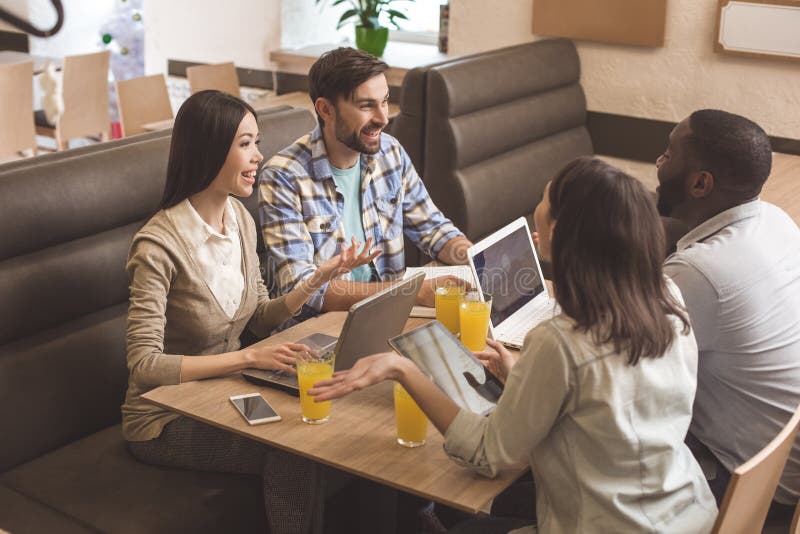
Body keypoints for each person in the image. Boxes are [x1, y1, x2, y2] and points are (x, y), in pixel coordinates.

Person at [309, 157, 718, 533]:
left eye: (544, 199)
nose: (537, 206)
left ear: (557, 231)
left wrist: (405, 370)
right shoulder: (665, 298)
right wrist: (522, 375)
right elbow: (606, 396)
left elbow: (486, 455)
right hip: (688, 515)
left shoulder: (560, 341)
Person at [122, 90, 373, 534]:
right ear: (208, 150)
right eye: (245, 144)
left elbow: (259, 316)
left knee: (331, 415)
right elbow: (144, 366)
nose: (258, 155)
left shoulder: (239, 218)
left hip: (222, 394)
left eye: (256, 142)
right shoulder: (157, 246)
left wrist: (316, 279)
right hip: (163, 418)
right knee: (293, 450)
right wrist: (249, 358)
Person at [259, 47, 471, 321]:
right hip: (320, 331)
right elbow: (304, 289)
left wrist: (475, 258)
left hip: (389, 316)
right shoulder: (282, 177)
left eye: (384, 102)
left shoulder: (390, 152)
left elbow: (433, 229)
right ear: (325, 109)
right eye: (366, 106)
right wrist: (411, 292)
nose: (383, 118)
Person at [656, 109, 800, 507]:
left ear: (700, 183)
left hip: (753, 489)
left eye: (669, 153)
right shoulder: (775, 220)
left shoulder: (698, 272)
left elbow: (616, 367)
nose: (659, 162)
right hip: (785, 464)